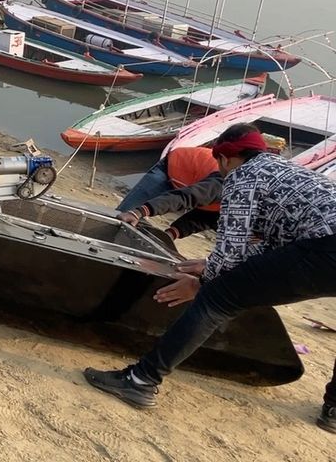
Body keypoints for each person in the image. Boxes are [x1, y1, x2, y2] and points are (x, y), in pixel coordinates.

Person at [82, 124, 336, 433]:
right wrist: (209, 263)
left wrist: (205, 279)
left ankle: (140, 381)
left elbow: (231, 253)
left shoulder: (243, 177)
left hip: (327, 248)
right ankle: (333, 412)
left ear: (226, 159)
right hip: (324, 243)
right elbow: (278, 249)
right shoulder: (286, 171)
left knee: (218, 299)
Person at [115, 146, 224, 242]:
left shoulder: (235, 208)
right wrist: (138, 212)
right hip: (174, 167)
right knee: (125, 215)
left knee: (138, 230)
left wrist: (170, 234)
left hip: (191, 184)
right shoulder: (225, 183)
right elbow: (186, 197)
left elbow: (206, 218)